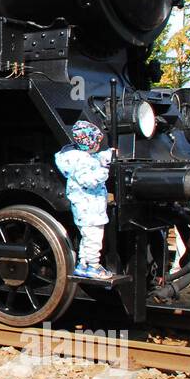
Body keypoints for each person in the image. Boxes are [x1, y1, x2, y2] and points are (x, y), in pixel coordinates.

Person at [54, 120, 115, 280]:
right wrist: (104, 172)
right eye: (96, 143)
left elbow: (97, 157)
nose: (98, 147)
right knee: (94, 238)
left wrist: (111, 154)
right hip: (89, 208)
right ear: (88, 143)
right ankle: (93, 266)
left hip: (87, 208)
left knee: (87, 237)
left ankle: (82, 265)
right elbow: (88, 179)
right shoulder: (81, 162)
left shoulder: (80, 157)